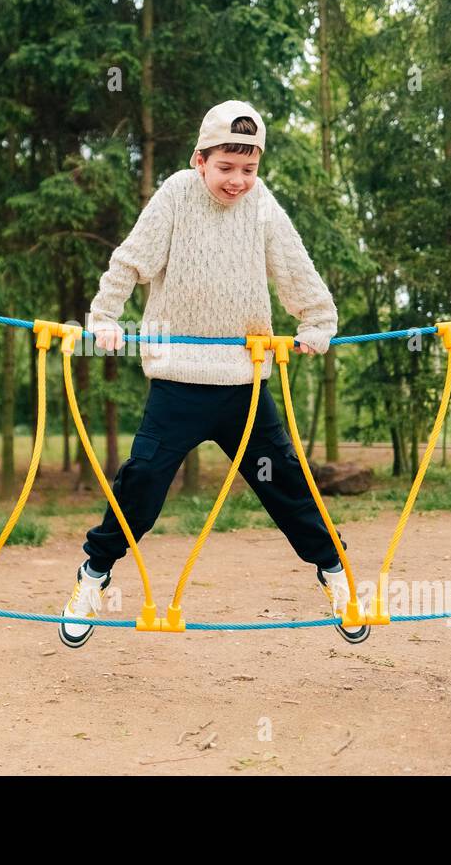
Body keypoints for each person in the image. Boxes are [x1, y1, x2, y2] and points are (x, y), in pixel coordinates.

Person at [58, 99, 367, 648]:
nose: (238, 181)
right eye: (226, 167)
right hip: (178, 379)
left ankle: (336, 573)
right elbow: (132, 261)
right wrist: (105, 319)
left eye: (249, 169)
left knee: (287, 485)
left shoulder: (262, 205)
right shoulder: (176, 194)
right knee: (144, 483)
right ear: (200, 160)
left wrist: (318, 321)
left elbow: (293, 266)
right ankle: (94, 574)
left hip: (244, 382)